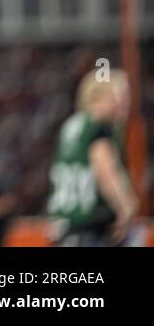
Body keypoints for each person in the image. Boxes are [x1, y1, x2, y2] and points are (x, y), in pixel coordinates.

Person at [48, 69, 139, 246]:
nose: (126, 101)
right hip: (94, 227)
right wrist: (126, 206)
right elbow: (104, 167)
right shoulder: (99, 127)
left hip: (67, 224)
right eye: (121, 94)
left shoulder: (72, 124)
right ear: (103, 95)